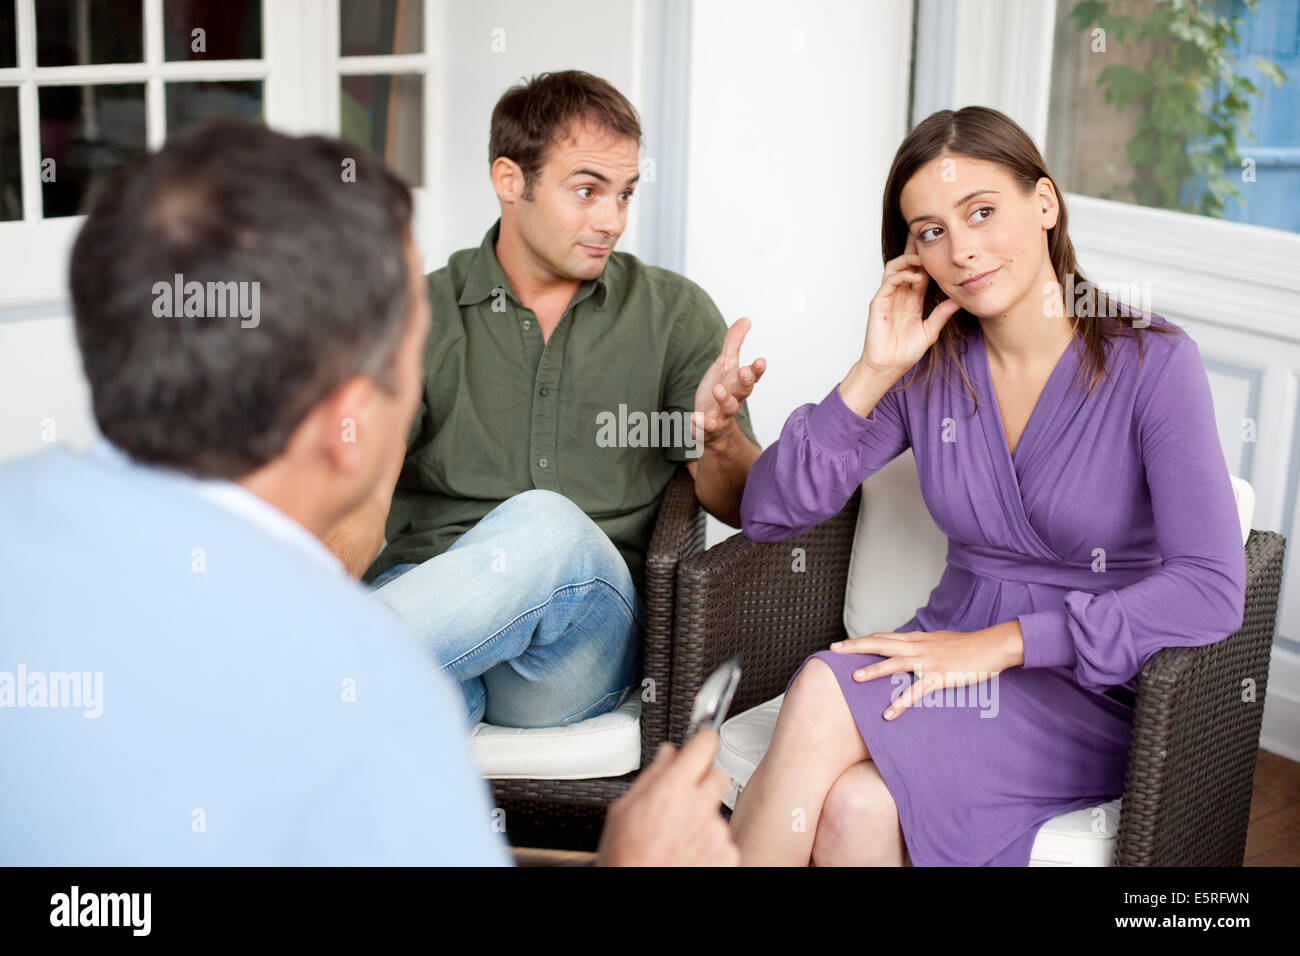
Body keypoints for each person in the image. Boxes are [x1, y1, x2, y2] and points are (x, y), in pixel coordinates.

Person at [0, 118, 737, 866]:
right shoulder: (374, 698)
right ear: (349, 416)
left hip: (555, 644)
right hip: (415, 619)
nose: (610, 216)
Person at [728, 106, 1246, 867]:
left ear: (1044, 204)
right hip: (946, 658)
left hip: (1089, 688)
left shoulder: (1155, 364)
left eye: (981, 212)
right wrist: (872, 371)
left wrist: (1004, 645)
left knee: (820, 689)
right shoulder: (926, 368)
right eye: (933, 231)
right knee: (857, 805)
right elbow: (771, 512)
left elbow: (1210, 587)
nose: (962, 249)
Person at [325, 70, 765, 730]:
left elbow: (738, 506)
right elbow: (360, 506)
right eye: (587, 191)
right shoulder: (417, 313)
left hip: (574, 648)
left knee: (547, 524)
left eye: (624, 195)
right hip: (434, 622)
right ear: (510, 180)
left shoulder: (673, 314)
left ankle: (292, 669)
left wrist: (718, 433)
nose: (611, 220)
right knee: (421, 709)